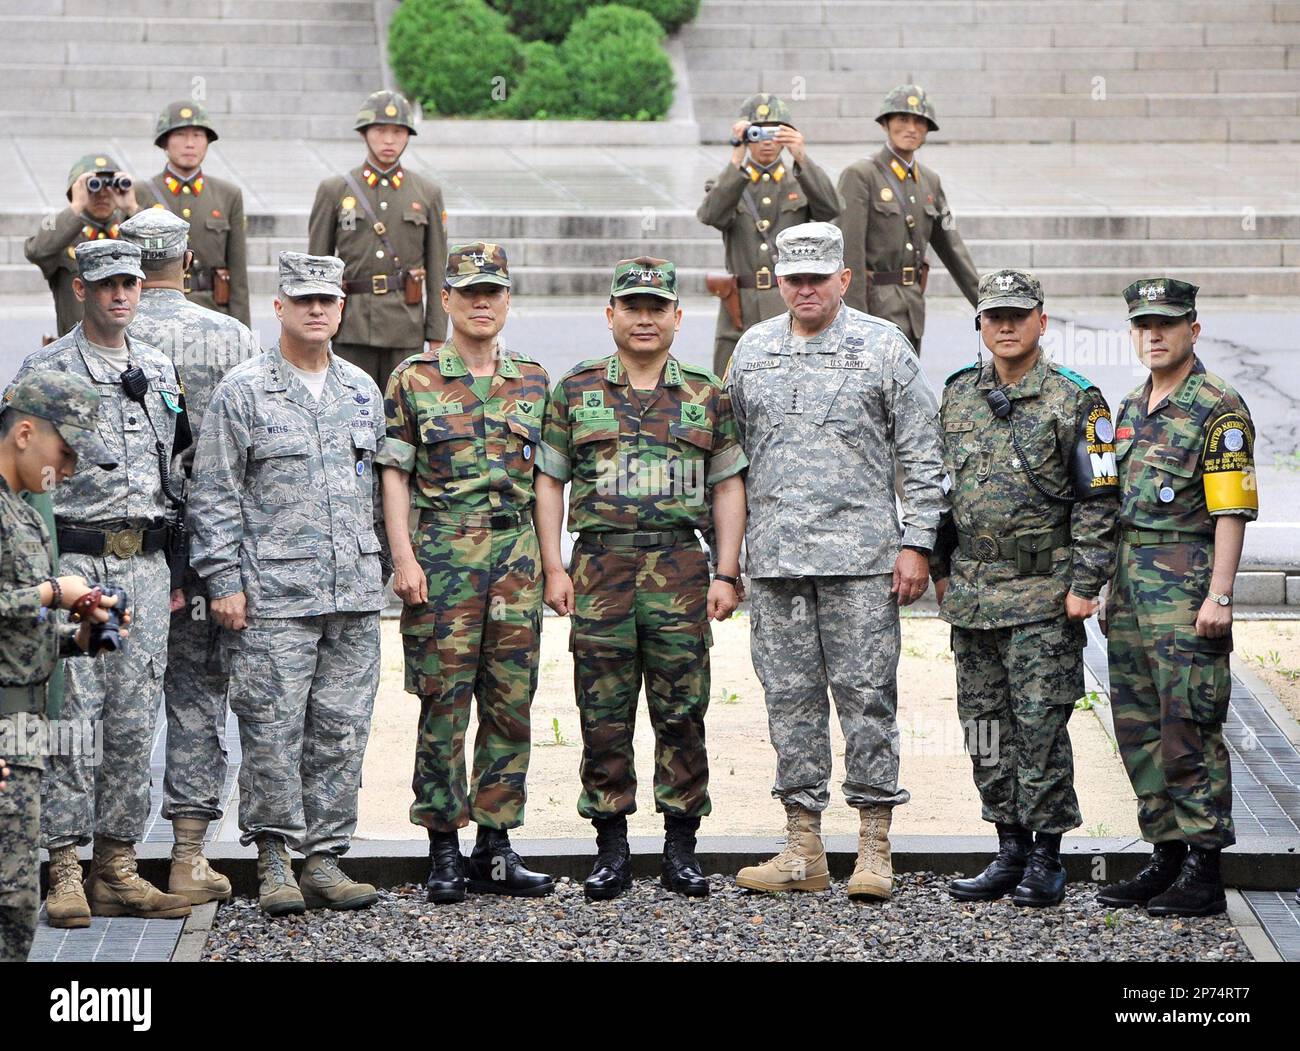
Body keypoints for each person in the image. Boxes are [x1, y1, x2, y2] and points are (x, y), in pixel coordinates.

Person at [726, 222, 945, 901]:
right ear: (777, 280)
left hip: (863, 562)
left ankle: (874, 846)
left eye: (818, 276)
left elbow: (922, 453)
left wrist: (917, 541)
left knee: (867, 700)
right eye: (794, 277)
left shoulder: (883, 346)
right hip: (777, 563)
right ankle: (803, 846)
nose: (806, 288)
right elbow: (730, 454)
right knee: (788, 703)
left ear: (843, 279)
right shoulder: (753, 349)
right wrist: (729, 561)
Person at [536, 257, 747, 900]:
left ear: (678, 318)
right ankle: (611, 846)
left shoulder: (707, 393)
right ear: (611, 316)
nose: (645, 318)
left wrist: (727, 571)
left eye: (657, 307)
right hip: (600, 566)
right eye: (632, 306)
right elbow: (550, 480)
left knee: (682, 708)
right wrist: (554, 565)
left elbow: (728, 483)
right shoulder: (575, 390)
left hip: (680, 566)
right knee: (602, 710)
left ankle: (681, 847)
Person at [188, 252, 389, 917]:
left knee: (341, 729)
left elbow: (381, 488)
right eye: (303, 300)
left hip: (353, 592)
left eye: (327, 300)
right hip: (272, 593)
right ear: (279, 308)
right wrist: (223, 578)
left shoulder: (361, 388)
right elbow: (214, 489)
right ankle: (274, 858)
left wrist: (387, 564)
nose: (316, 310)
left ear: (341, 309)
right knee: (272, 727)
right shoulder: (244, 389)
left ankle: (325, 857)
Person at [10, 239, 191, 926]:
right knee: (73, 719)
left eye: (131, 284)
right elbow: (22, 477)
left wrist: (180, 569)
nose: (120, 295)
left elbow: (176, 467)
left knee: (133, 718)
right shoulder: (49, 369)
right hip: (79, 565)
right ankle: (63, 867)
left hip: (144, 567)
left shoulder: (158, 365)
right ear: (82, 289)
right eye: (107, 284)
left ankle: (117, 865)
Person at [930, 269, 1119, 907]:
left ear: (1042, 319)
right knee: (984, 725)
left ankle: (1047, 855)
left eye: (1017, 314)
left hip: (1043, 592)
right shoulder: (958, 394)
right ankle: (1007, 844)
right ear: (980, 324)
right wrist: (939, 565)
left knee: (1040, 725)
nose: (1005, 326)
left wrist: (1085, 582)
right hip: (975, 596)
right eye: (993, 317)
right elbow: (941, 490)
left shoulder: (1077, 399)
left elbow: (1101, 499)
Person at [378, 242, 555, 905]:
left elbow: (543, 480)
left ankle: (497, 843)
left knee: (512, 703)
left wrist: (550, 562)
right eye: (469, 292)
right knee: (443, 704)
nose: (482, 303)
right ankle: (444, 847)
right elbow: (394, 473)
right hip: (444, 556)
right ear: (446, 298)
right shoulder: (414, 378)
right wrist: (403, 557)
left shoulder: (533, 379)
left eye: (494, 292)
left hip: (515, 560)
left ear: (508, 300)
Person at [1096, 278, 1257, 918]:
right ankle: (1164, 853)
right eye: (1143, 325)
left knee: (1188, 722)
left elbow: (1231, 509)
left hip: (1188, 588)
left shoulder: (1218, 404)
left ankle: (1204, 867)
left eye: (1166, 324)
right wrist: (1109, 585)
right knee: (1137, 724)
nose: (1153, 335)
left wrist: (1221, 594)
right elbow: (1117, 507)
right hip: (1134, 591)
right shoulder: (1133, 406)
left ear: (1194, 329)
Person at [119, 208, 259, 906]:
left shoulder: (107, 329)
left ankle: (99, 856)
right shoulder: (231, 336)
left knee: (116, 701)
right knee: (199, 698)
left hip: (123, 552)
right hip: (208, 549)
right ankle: (187, 854)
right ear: (188, 258)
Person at [0, 372, 127, 960]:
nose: (70, 470)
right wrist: (53, 592)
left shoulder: (24, 509)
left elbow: (14, 631)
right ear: (24, 433)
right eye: (66, 452)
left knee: (17, 898)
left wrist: (79, 637)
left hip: (22, 728)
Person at [308, 89, 449, 393]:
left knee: (402, 417)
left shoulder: (426, 193)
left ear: (408, 136)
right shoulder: (334, 190)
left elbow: (438, 268)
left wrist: (436, 332)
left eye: (397, 132)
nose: (389, 140)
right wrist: (314, 326)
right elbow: (316, 267)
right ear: (364, 134)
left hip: (405, 326)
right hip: (350, 325)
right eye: (380, 130)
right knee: (347, 411)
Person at [696, 93, 840, 378]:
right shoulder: (728, 182)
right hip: (739, 306)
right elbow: (710, 215)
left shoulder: (800, 182)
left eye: (775, 131)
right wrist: (736, 157)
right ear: (744, 135)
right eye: (756, 131)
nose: (766, 140)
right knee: (729, 390)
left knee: (791, 383)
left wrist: (801, 157)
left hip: (787, 299)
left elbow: (831, 208)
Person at [836, 85, 980, 355]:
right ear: (885, 124)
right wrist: (851, 319)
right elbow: (849, 252)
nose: (911, 128)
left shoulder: (929, 181)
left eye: (919, 121)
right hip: (873, 306)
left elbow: (953, 249)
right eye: (902, 119)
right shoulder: (861, 175)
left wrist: (986, 304)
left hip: (912, 307)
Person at [134, 101, 251, 326]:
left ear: (207, 142)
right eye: (180, 135)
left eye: (198, 135)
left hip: (213, 314)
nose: (190, 144)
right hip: (152, 314)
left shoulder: (228, 195)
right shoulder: (139, 194)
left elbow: (238, 277)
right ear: (165, 142)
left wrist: (242, 330)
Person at [24, 154, 142, 338]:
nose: (102, 194)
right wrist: (76, 206)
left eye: (109, 187)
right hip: (77, 351)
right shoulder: (62, 238)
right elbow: (36, 251)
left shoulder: (131, 232)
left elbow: (165, 253)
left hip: (130, 348)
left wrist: (132, 208)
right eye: (93, 187)